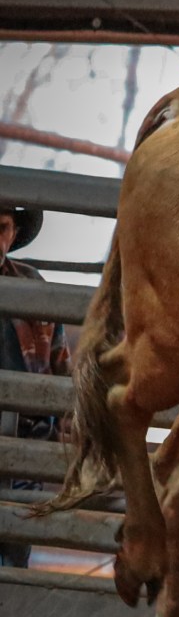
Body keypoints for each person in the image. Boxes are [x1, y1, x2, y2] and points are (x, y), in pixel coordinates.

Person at [0, 204, 72, 567]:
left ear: (13, 234)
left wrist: (68, 425)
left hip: (25, 446)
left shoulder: (32, 285)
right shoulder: (31, 286)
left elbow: (60, 364)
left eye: (1, 228)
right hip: (21, 446)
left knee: (15, 553)